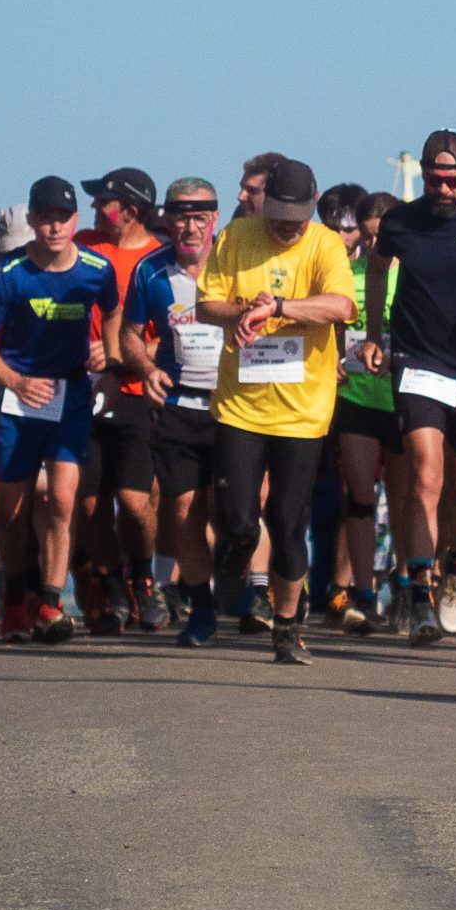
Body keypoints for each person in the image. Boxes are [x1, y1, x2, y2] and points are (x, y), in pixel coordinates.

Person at [196, 159, 357, 664]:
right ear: (262, 204)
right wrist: (243, 311)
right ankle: (236, 553)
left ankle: (286, 627)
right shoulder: (237, 236)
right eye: (278, 217)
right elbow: (206, 305)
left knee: (289, 523)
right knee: (239, 518)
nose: (287, 228)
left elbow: (341, 307)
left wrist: (281, 308)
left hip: (304, 410)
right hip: (242, 406)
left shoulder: (325, 244)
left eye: (296, 219)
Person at [363, 130, 456, 645]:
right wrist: (375, 334)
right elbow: (378, 268)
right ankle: (419, 591)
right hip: (418, 359)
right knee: (424, 476)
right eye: (434, 180)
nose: (444, 189)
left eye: (453, 181)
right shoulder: (401, 221)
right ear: (424, 175)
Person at [0, 177, 121, 646]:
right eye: (46, 218)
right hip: (18, 399)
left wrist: (109, 356)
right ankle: (17, 595)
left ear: (75, 221)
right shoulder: (11, 274)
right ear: (32, 220)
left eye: (64, 218)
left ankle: (53, 601)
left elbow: (114, 311)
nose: (55, 227)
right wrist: (14, 381)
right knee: (11, 509)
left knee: (62, 497)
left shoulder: (96, 269)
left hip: (70, 394)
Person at [121, 178, 229, 644]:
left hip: (235, 406)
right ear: (166, 220)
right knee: (184, 508)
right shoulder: (150, 271)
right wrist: (145, 367)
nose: (190, 228)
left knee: (237, 510)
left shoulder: (235, 266)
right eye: (181, 218)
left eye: (199, 218)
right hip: (179, 404)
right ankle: (201, 607)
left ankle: (250, 584)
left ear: (214, 221)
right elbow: (129, 333)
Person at [77, 167, 168, 633]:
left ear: (130, 212)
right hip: (82, 392)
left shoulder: (159, 259)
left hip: (135, 393)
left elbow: (175, 335)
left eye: (103, 203)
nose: (95, 210)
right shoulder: (83, 244)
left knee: (135, 503)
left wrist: (121, 357)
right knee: (89, 503)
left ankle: (144, 579)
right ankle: (111, 588)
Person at [325, 188, 401, 633]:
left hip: (403, 399)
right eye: (367, 238)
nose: (372, 247)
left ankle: (413, 587)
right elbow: (333, 324)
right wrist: (332, 356)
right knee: (359, 497)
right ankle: (364, 592)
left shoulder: (411, 276)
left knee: (409, 498)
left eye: (380, 238)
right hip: (355, 396)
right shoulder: (345, 274)